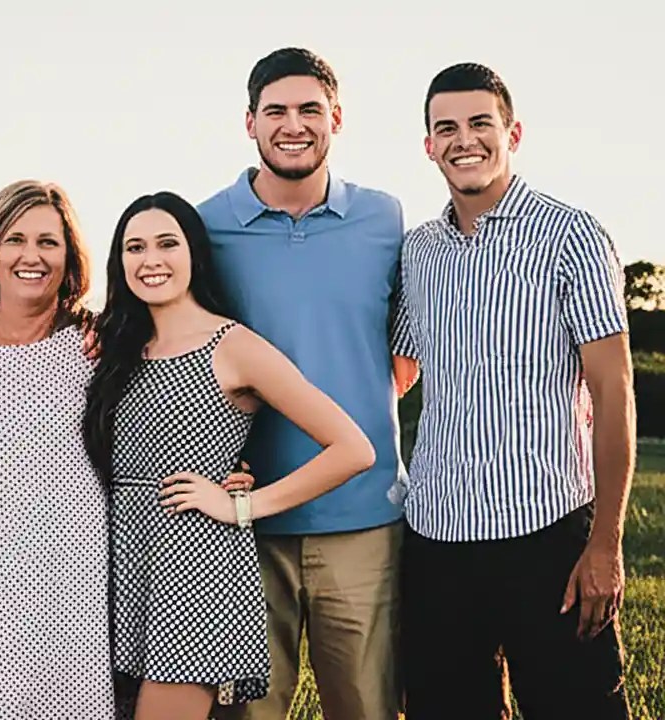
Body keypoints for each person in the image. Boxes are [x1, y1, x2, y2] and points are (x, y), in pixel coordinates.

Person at [396, 62, 634, 720]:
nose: (463, 139)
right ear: (428, 145)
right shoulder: (416, 253)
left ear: (514, 133)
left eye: (480, 123)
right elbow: (392, 371)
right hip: (437, 539)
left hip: (547, 536)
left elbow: (614, 391)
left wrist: (605, 544)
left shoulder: (571, 236)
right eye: (446, 127)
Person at [82, 191, 377, 720]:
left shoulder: (232, 344)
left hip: (192, 570)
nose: (150, 260)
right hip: (120, 563)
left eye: (167, 244)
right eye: (134, 247)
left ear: (194, 253)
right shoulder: (116, 346)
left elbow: (352, 448)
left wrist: (243, 505)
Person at [194, 47, 418, 720]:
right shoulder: (204, 227)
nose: (293, 125)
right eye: (276, 111)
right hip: (244, 526)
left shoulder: (384, 219)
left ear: (337, 119)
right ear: (249, 123)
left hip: (364, 519)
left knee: (370, 707)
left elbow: (404, 351)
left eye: (309, 110)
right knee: (249, 714)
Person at [0, 179, 115, 720]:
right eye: (15, 240)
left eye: (48, 242)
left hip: (72, 573)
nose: (30, 256)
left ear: (70, 257)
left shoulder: (97, 344)